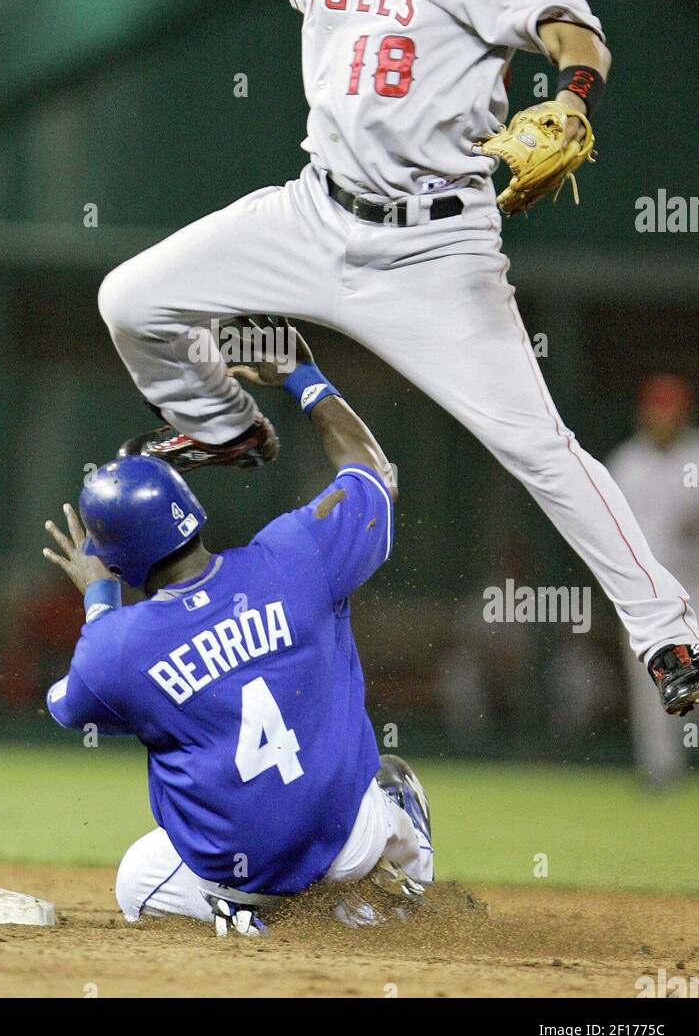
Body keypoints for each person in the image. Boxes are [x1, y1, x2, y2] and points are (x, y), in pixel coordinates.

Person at [95, 0, 699, 719]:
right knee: (132, 299)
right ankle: (224, 425)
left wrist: (573, 96)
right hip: (311, 215)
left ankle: (666, 631)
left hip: (433, 251)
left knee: (538, 447)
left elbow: (573, 30)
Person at [42, 330, 432, 932]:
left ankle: (255, 917)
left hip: (239, 875)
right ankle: (386, 887)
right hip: (349, 840)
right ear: (191, 509)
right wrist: (305, 378)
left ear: (117, 562)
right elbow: (375, 475)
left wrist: (98, 596)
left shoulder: (118, 646)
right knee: (392, 778)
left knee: (135, 880)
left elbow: (66, 707)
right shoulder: (297, 553)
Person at [606, 376, 699, 784]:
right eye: (656, 409)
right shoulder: (627, 462)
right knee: (652, 675)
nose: (662, 418)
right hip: (647, 591)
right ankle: (661, 770)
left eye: (669, 410)